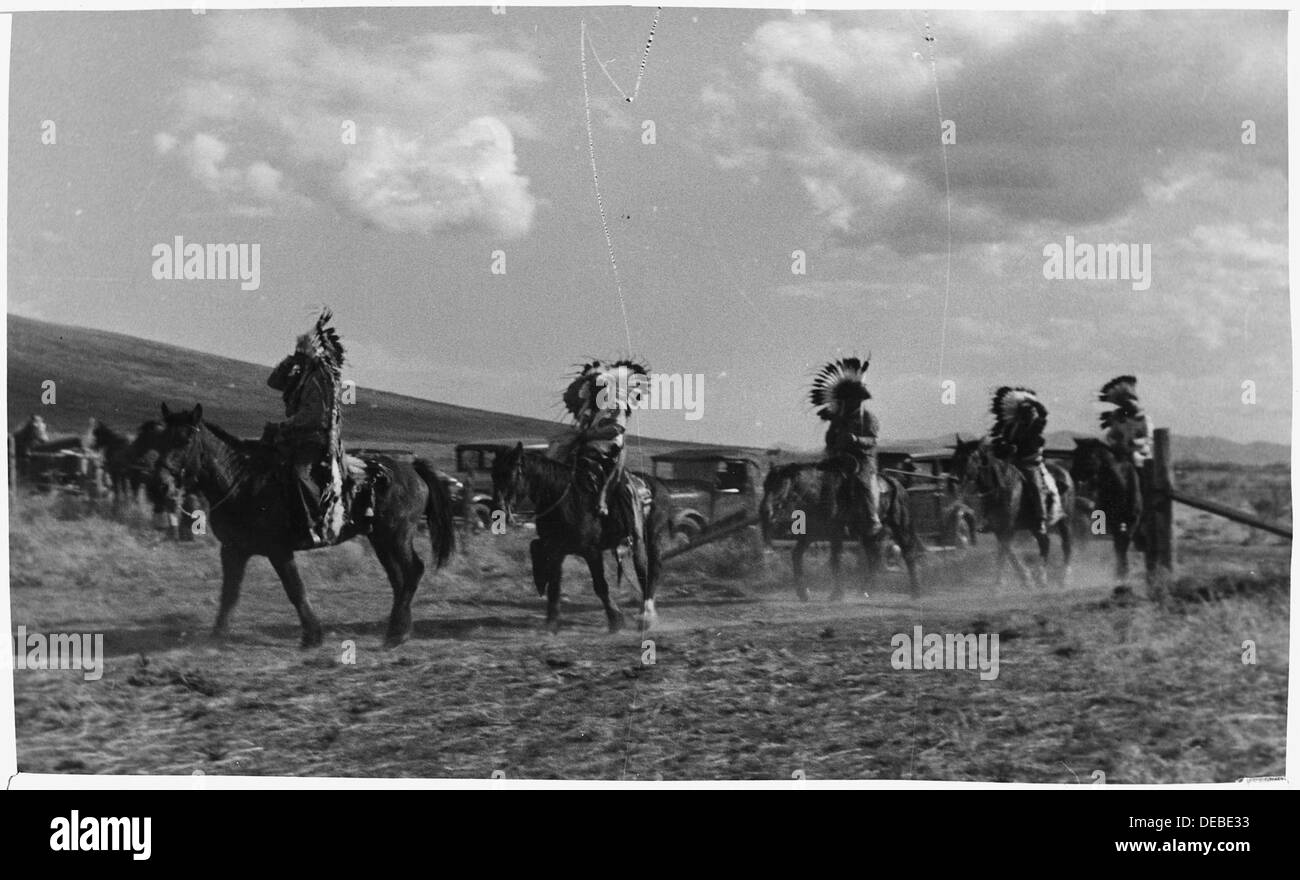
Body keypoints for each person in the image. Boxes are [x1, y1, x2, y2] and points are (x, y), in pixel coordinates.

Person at [265, 310, 347, 550]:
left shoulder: (322, 376)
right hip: (295, 435)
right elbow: (274, 382)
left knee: (300, 475)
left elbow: (315, 415)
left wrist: (286, 425)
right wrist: (292, 359)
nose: (302, 352)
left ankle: (315, 525)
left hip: (314, 438)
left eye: (304, 348)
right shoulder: (303, 373)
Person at [811, 357, 882, 536]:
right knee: (822, 478)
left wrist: (856, 440)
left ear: (860, 400)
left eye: (854, 399)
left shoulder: (868, 418)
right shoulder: (839, 419)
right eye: (848, 399)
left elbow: (873, 440)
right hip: (841, 459)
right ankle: (826, 518)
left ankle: (872, 518)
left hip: (864, 460)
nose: (851, 402)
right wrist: (832, 439)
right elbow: (830, 440)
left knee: (862, 482)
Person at [989, 386, 1060, 534]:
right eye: (1023, 412)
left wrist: (1032, 402)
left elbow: (1044, 413)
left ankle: (1041, 520)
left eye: (1028, 412)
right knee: (996, 485)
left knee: (1035, 486)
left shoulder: (1036, 425)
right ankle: (992, 518)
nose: (1025, 415)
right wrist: (1007, 446)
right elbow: (1005, 440)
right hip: (1012, 463)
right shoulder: (1010, 427)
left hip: (1029, 464)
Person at [1099, 375, 1153, 467]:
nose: (1129, 403)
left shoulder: (1145, 419)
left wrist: (1134, 442)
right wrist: (1116, 444)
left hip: (1140, 454)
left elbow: (1150, 438)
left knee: (1135, 458)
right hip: (1122, 454)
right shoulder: (1119, 420)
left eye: (1131, 400)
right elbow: (1110, 436)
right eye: (1126, 401)